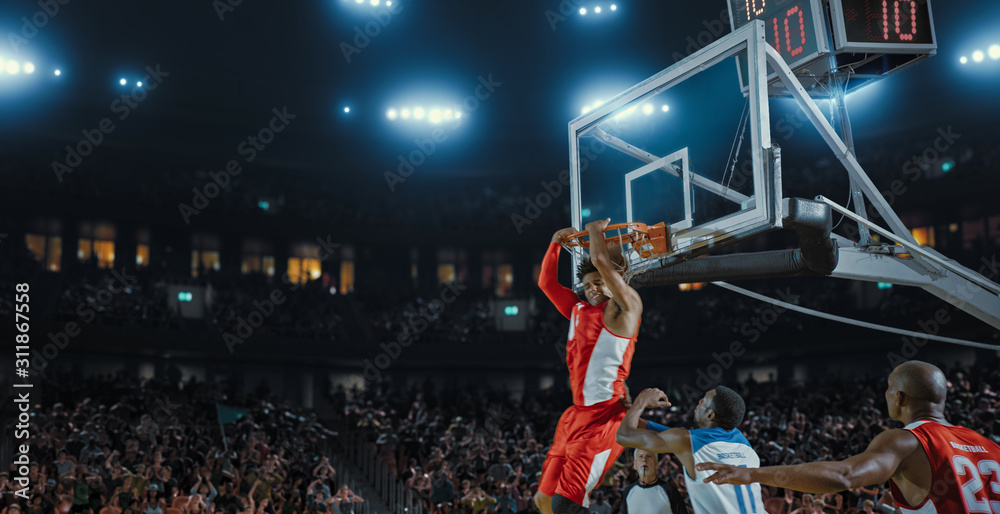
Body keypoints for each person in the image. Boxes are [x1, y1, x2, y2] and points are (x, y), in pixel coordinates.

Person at [698, 360, 1000, 513]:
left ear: (900, 397)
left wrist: (751, 473)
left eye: (888, 388)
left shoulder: (905, 441)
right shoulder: (990, 447)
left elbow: (845, 476)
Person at [534, 220, 645, 514]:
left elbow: (598, 259)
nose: (592, 289)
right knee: (543, 500)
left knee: (566, 504)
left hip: (605, 416)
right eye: (586, 285)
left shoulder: (627, 307)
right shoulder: (577, 309)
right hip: (575, 414)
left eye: (599, 282)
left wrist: (595, 230)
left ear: (615, 280)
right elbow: (546, 284)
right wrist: (555, 242)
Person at [616, 387, 764, 513]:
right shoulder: (742, 441)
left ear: (710, 415)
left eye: (703, 401)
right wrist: (630, 411)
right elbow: (671, 435)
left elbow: (623, 436)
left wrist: (641, 400)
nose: (698, 402)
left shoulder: (688, 442)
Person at [620, 448, 686, 514]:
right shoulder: (628, 491)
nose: (644, 460)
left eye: (649, 456)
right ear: (635, 465)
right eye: (640, 457)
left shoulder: (670, 491)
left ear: (657, 465)